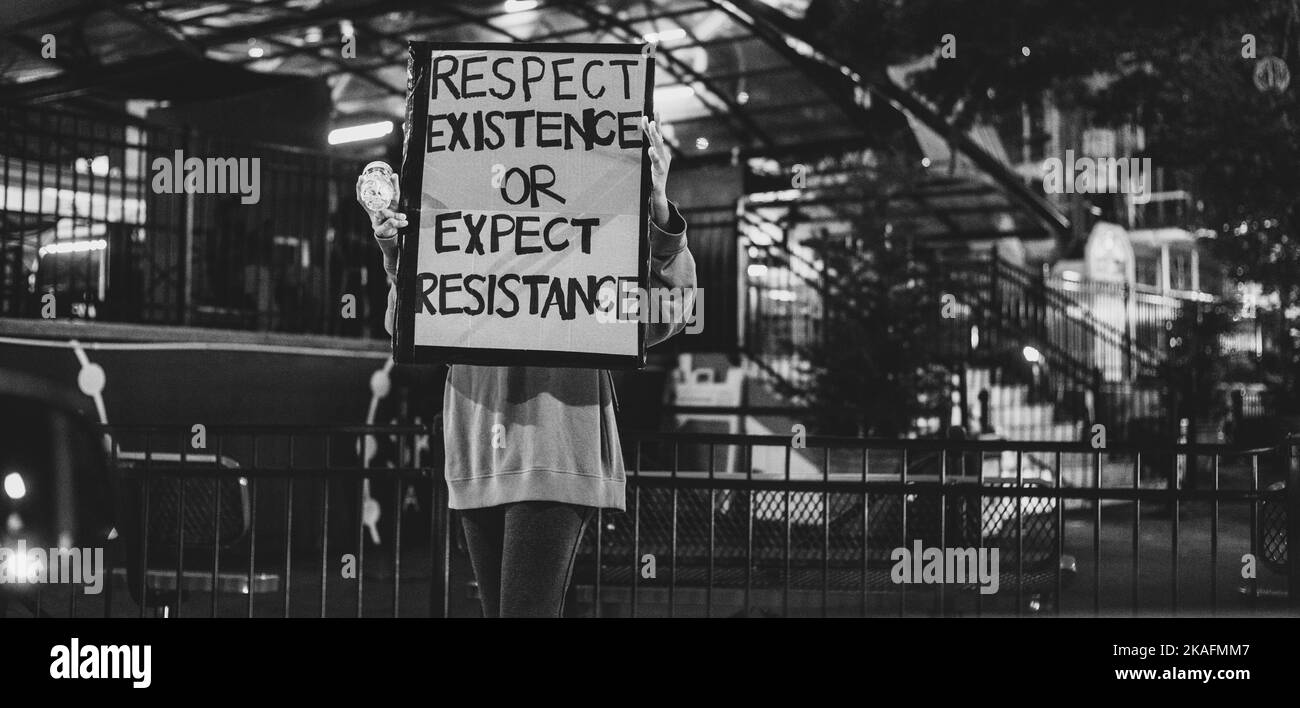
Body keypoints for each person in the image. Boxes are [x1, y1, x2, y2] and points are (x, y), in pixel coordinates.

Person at [365, 116, 696, 617]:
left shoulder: (588, 246)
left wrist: (657, 210)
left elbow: (667, 311)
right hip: (478, 451)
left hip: (554, 450)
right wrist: (396, 251)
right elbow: (404, 326)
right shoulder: (468, 237)